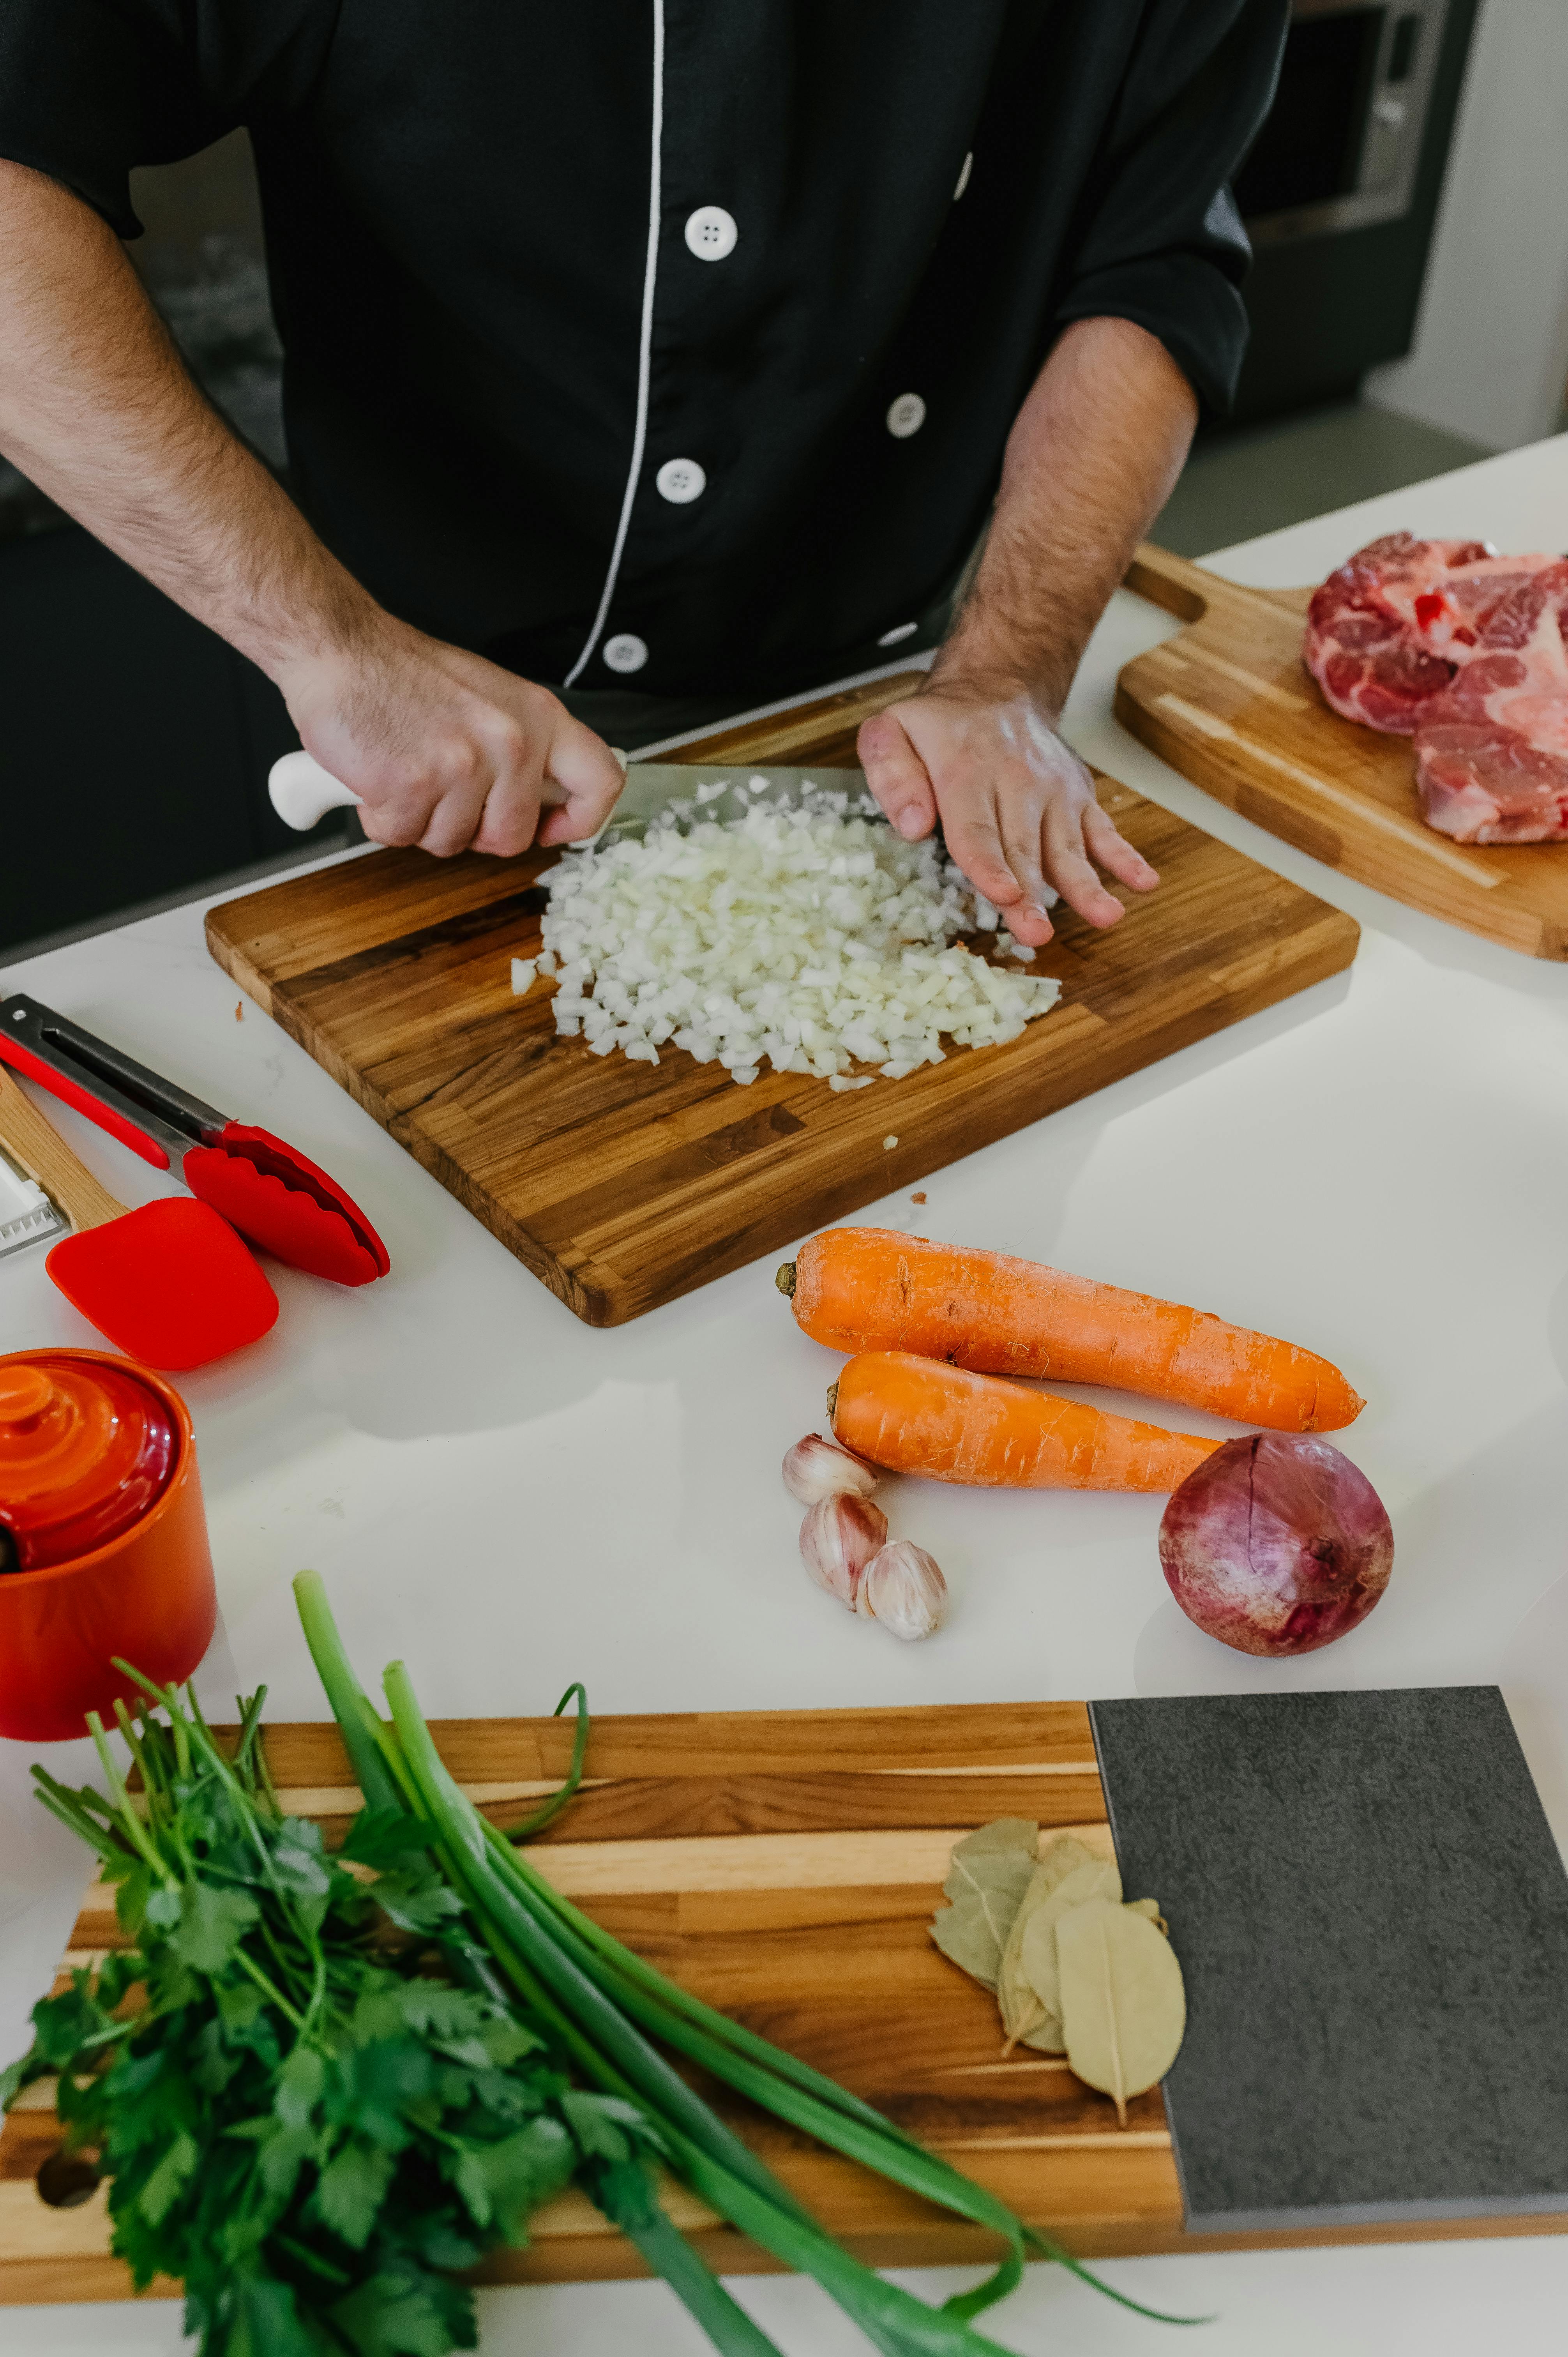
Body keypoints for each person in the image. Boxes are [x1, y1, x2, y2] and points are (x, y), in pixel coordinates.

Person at [0, 2, 1284, 951]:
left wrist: (1010, 671)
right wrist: (333, 647)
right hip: (396, 722)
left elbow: (1153, 261)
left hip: (886, 703)